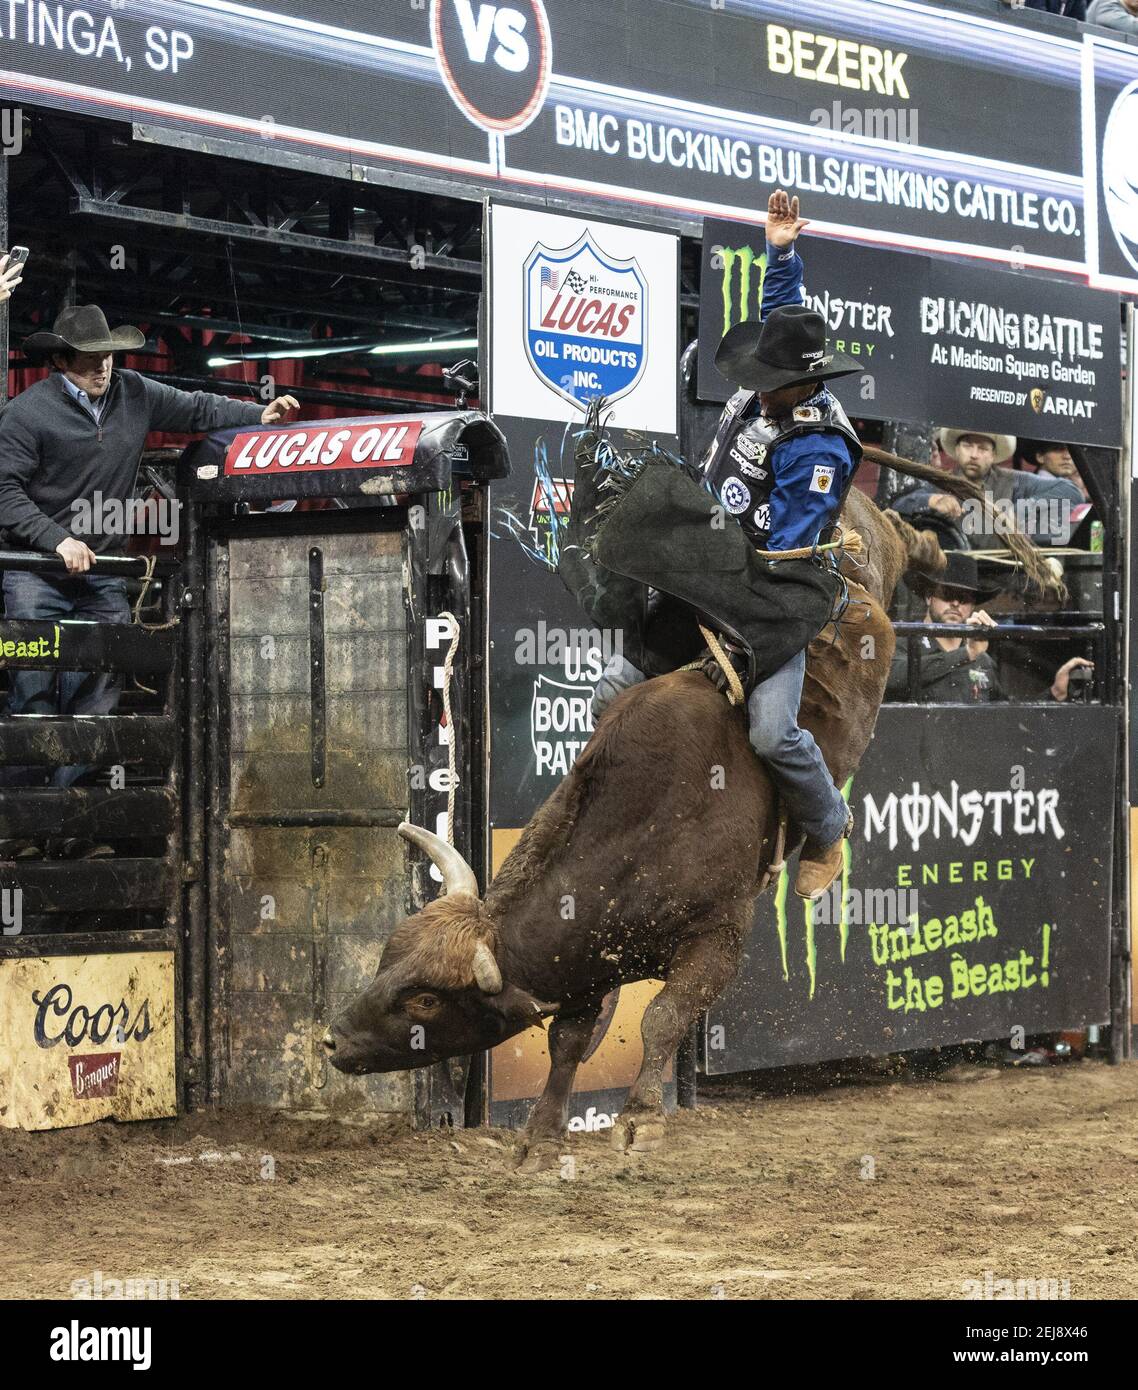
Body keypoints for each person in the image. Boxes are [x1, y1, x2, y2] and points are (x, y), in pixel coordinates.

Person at [592, 189, 862, 900]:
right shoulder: (782, 361)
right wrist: (782, 251)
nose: (755, 388)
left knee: (773, 733)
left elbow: (792, 555)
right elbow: (784, 311)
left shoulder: (817, 449)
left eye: (769, 383)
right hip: (711, 572)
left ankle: (828, 827)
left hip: (771, 597)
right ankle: (628, 809)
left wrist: (733, 612)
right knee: (614, 688)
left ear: (803, 381)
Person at [0, 304, 299, 851]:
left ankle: (60, 827)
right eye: (91, 360)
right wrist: (56, 539)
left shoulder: (133, 392)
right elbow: (5, 493)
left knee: (98, 694)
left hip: (101, 571)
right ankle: (23, 823)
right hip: (36, 573)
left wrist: (258, 415)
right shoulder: (26, 414)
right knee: (34, 695)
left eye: (108, 358)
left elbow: (195, 408)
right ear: (61, 360)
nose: (103, 369)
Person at [885, 553, 1093, 703]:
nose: (956, 603)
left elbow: (1002, 716)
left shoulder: (982, 660)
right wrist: (966, 654)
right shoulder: (904, 643)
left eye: (965, 598)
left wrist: (1054, 693)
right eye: (948, 594)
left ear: (973, 605)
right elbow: (893, 679)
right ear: (929, 597)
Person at [891, 427, 1082, 549]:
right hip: (951, 580)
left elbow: (1071, 491)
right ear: (957, 450)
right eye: (967, 446)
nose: (974, 455)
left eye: (982, 449)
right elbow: (899, 505)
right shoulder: (941, 483)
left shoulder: (1014, 481)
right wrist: (931, 501)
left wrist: (1019, 512)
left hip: (1001, 582)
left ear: (993, 455)